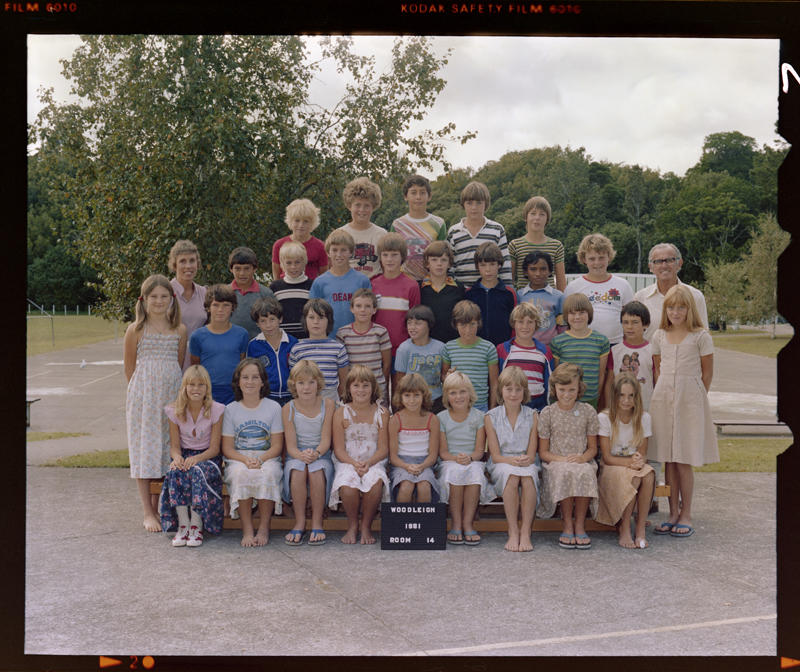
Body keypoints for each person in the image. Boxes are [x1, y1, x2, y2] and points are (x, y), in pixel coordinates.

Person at [650, 285, 718, 539]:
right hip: (663, 398)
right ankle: (672, 513)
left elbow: (707, 372)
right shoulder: (659, 335)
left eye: (681, 307)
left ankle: (686, 512)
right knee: (668, 458)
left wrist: (696, 397)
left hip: (690, 399)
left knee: (684, 458)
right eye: (671, 307)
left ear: (690, 309)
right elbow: (657, 369)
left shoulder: (700, 336)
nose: (676, 312)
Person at [124, 274, 187, 533]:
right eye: (154, 297)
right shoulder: (135, 329)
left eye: (164, 296)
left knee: (166, 447)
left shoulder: (180, 330)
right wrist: (143, 393)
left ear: (172, 299)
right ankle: (147, 512)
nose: (159, 301)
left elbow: (179, 363)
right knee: (144, 448)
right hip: (144, 397)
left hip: (171, 395)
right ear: (144, 299)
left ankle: (161, 504)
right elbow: (130, 369)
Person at [159, 365, 224, 547]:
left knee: (196, 472)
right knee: (174, 471)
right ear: (184, 388)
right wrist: (177, 458)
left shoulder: (216, 410)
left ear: (207, 388)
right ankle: (183, 524)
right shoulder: (174, 411)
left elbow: (215, 448)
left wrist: (197, 459)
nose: (196, 389)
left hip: (208, 458)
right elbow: (174, 446)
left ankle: (197, 524)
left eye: (201, 385)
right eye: (192, 385)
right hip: (185, 454)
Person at [221, 358, 284, 547]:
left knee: (269, 473)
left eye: (255, 377)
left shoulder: (273, 407)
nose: (250, 382)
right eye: (245, 377)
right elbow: (227, 448)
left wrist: (260, 459)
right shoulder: (231, 410)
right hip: (238, 457)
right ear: (238, 381)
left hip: (267, 456)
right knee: (240, 474)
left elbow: (277, 446)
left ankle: (264, 527)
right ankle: (247, 529)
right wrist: (246, 460)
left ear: (263, 381)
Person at [537, 363, 600, 550]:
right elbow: (543, 452)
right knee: (565, 472)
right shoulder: (548, 413)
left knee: (585, 472)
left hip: (581, 459)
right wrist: (563, 460)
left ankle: (580, 523)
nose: (566, 394)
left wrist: (582, 458)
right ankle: (567, 523)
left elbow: (592, 448)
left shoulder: (588, 411)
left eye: (571, 389)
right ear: (554, 389)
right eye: (562, 389)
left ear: (579, 388)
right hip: (556, 461)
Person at [329, 366, 391, 544]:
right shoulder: (341, 413)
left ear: (373, 388)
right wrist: (354, 463)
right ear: (348, 388)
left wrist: (369, 463)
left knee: (375, 483)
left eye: (365, 385)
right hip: (347, 460)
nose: (361, 390)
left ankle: (366, 525)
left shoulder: (382, 413)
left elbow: (383, 448)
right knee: (348, 486)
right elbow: (339, 449)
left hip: (374, 460)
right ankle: (352, 524)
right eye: (356, 385)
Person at [595, 373, 655, 549]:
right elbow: (606, 457)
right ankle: (625, 527)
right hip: (612, 465)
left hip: (632, 464)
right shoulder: (605, 418)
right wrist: (631, 464)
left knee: (649, 474)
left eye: (631, 395)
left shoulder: (644, 418)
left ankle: (641, 528)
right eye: (622, 395)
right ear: (615, 396)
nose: (626, 400)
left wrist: (639, 460)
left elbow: (642, 453)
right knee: (634, 477)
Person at [485, 366, 540, 552]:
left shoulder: (533, 415)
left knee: (528, 477)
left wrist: (526, 459)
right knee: (512, 477)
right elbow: (496, 455)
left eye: (518, 389)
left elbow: (532, 453)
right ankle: (513, 530)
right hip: (502, 462)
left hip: (527, 460)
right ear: (501, 390)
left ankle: (526, 531)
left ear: (525, 391)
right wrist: (511, 462)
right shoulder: (491, 416)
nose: (514, 394)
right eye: (509, 389)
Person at [281, 360, 335, 546]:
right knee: (297, 472)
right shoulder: (288, 408)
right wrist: (301, 455)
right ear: (294, 385)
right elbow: (290, 445)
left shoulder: (327, 405)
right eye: (301, 383)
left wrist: (316, 453)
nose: (306, 387)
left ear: (318, 383)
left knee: (316, 471)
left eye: (311, 382)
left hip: (322, 454)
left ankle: (317, 522)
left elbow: (326, 439)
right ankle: (300, 521)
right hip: (296, 454)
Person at [437, 371, 493, 546]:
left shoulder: (479, 417)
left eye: (462, 391)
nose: (458, 396)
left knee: (475, 474)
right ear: (446, 396)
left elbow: (479, 451)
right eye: (453, 393)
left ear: (470, 393)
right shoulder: (441, 418)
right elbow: (443, 452)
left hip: (473, 460)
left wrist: (469, 457)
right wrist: (456, 458)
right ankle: (456, 523)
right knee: (455, 472)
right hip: (449, 461)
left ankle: (468, 523)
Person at [563, 233, 634, 346]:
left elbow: (631, 317)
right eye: (592, 259)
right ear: (584, 259)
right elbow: (566, 320)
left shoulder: (623, 285)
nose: (597, 263)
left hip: (616, 344)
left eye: (601, 258)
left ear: (609, 257)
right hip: (583, 345)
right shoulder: (573, 287)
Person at [634, 242, 709, 341]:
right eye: (658, 261)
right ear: (650, 267)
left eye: (670, 260)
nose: (664, 265)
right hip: (650, 356)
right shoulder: (640, 298)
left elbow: (703, 335)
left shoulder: (695, 296)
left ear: (680, 263)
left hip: (684, 356)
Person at [189, 284, 249, 405]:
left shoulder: (242, 334)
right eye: (215, 305)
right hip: (208, 392)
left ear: (233, 307)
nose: (220, 310)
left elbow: (242, 363)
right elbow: (196, 366)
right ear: (208, 308)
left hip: (234, 391)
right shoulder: (197, 336)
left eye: (226, 305)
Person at [549, 293, 610, 409]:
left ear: (589, 314)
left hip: (590, 399)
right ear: (566, 316)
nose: (577, 317)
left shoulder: (601, 341)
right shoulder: (558, 342)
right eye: (572, 313)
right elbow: (555, 374)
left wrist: (596, 395)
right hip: (564, 399)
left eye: (582, 312)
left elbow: (601, 374)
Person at [446, 180, 512, 286]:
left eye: (479, 203)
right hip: (462, 292)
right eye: (469, 203)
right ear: (463, 204)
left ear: (486, 204)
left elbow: (505, 265)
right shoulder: (454, 232)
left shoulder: (497, 229)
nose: (474, 207)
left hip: (491, 290)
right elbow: (449, 267)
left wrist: (508, 290)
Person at [388, 373, 441, 503]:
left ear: (424, 396)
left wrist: (422, 466)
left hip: (425, 463)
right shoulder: (396, 420)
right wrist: (406, 466)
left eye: (416, 395)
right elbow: (393, 457)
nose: (412, 400)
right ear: (400, 397)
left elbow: (433, 455)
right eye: (407, 395)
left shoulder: (432, 419)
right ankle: (401, 521)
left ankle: (423, 522)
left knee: (424, 486)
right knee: (406, 486)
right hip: (401, 463)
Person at [440, 299, 499, 412]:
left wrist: (492, 409)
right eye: (463, 325)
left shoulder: (488, 348)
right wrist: (448, 377)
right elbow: (443, 377)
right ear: (455, 324)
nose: (468, 330)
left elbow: (494, 382)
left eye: (472, 324)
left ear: (478, 323)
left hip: (480, 405)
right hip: (456, 405)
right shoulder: (449, 347)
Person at [336, 288, 392, 406]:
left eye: (367, 306)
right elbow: (342, 366)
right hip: (354, 390)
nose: (363, 310)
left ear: (374, 309)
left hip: (377, 388)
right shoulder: (343, 333)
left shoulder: (381, 332)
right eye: (358, 306)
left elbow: (386, 364)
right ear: (352, 309)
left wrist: (381, 386)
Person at [309, 229, 371, 334]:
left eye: (343, 250)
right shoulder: (319, 282)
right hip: (329, 339)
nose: (339, 254)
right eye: (334, 250)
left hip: (357, 338)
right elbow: (313, 313)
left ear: (351, 252)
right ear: (328, 252)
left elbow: (369, 310)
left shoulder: (362, 280)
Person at [288, 299, 350, 402]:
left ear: (329, 320)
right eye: (311, 317)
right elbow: (294, 381)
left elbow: (343, 382)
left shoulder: (338, 348)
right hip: (305, 401)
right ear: (305, 320)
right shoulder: (297, 349)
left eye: (321, 317)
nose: (316, 322)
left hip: (331, 401)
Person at [371, 232, 421, 357]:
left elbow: (415, 320)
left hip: (403, 349)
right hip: (376, 348)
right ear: (380, 257)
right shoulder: (372, 284)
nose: (389, 259)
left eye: (394, 255)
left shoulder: (412, 286)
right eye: (385, 255)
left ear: (402, 257)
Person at [496, 302, 553, 411]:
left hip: (537, 407)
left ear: (536, 324)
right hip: (510, 406)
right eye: (520, 322)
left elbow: (549, 383)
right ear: (513, 324)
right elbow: (497, 381)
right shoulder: (503, 349)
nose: (525, 326)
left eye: (530, 322)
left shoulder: (545, 351)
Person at [389, 174, 447, 281]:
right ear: (406, 196)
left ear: (429, 196)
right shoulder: (397, 225)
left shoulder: (438, 223)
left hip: (431, 281)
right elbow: (392, 255)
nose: (418, 197)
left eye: (422, 192)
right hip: (404, 281)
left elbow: (444, 255)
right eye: (413, 192)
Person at [393, 305, 446, 413]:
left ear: (429, 325)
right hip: (412, 401)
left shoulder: (441, 347)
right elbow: (400, 379)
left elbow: (443, 376)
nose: (412, 327)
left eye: (418, 323)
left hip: (436, 400)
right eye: (409, 323)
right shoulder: (404, 349)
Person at [246, 296, 297, 407]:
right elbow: (252, 373)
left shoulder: (293, 343)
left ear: (280, 319)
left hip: (292, 397)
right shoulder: (254, 345)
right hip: (266, 398)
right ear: (257, 324)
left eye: (272, 319)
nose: (268, 325)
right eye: (263, 321)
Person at [464, 241, 518, 346]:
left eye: (492, 264)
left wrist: (511, 344)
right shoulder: (469, 294)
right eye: (483, 265)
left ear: (499, 265)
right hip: (476, 348)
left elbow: (515, 322)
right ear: (477, 266)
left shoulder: (509, 293)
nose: (488, 270)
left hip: (503, 347)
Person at [508, 196, 566, 291]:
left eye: (542, 214)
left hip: (549, 302)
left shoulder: (556, 246)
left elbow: (561, 282)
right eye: (533, 213)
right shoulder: (515, 245)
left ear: (547, 219)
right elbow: (510, 279)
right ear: (526, 217)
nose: (537, 218)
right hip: (524, 302)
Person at [335, 176, 386, 278]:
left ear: (373, 207)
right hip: (347, 287)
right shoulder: (339, 234)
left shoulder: (382, 234)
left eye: (367, 205)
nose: (362, 210)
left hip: (374, 288)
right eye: (357, 205)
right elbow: (332, 267)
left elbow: (386, 267)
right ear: (349, 206)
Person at [168, 239, 207, 370]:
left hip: (198, 360)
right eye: (182, 261)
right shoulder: (165, 292)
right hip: (172, 359)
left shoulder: (204, 293)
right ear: (174, 265)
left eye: (192, 260)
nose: (188, 266)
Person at [271, 198, 328, 281]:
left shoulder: (320, 246)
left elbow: (324, 276)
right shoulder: (279, 245)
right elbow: (276, 277)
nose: (301, 225)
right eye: (297, 220)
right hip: (286, 290)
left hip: (310, 291)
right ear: (290, 221)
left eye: (306, 221)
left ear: (312, 223)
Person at [419, 240, 465, 344]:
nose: (439, 264)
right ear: (427, 263)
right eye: (434, 260)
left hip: (452, 344)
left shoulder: (458, 288)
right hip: (426, 344)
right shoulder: (419, 288)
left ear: (449, 263)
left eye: (443, 260)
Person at [516, 251, 565, 346]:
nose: (538, 273)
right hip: (524, 347)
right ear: (526, 272)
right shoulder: (519, 295)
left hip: (551, 348)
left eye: (543, 269)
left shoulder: (558, 296)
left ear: (550, 271)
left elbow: (562, 326)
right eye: (533, 269)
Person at [227, 246, 275, 339]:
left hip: (259, 347)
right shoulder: (224, 293)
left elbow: (274, 323)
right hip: (230, 347)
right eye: (237, 269)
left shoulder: (265, 294)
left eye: (246, 268)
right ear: (231, 269)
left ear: (254, 269)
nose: (242, 273)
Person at [269, 241, 313, 339]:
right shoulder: (275, 288)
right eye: (288, 263)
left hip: (306, 339)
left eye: (297, 262)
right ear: (282, 264)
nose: (293, 267)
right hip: (283, 340)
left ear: (304, 262)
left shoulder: (312, 286)